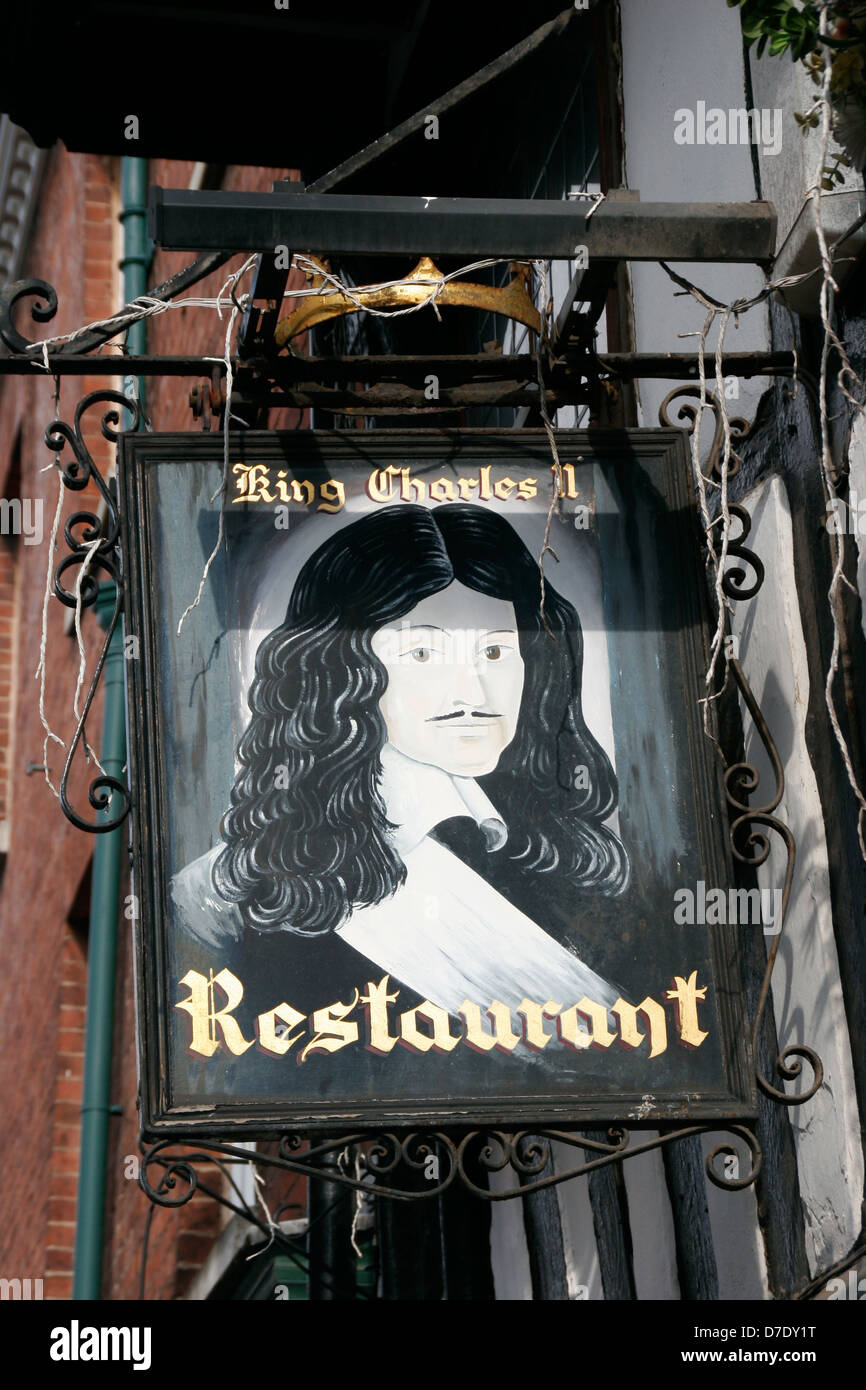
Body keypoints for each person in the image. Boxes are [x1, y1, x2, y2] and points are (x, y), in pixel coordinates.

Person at [171, 502, 630, 1017]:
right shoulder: (228, 892)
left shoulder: (569, 850)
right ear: (345, 670)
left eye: (496, 652)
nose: (472, 691)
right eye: (422, 654)